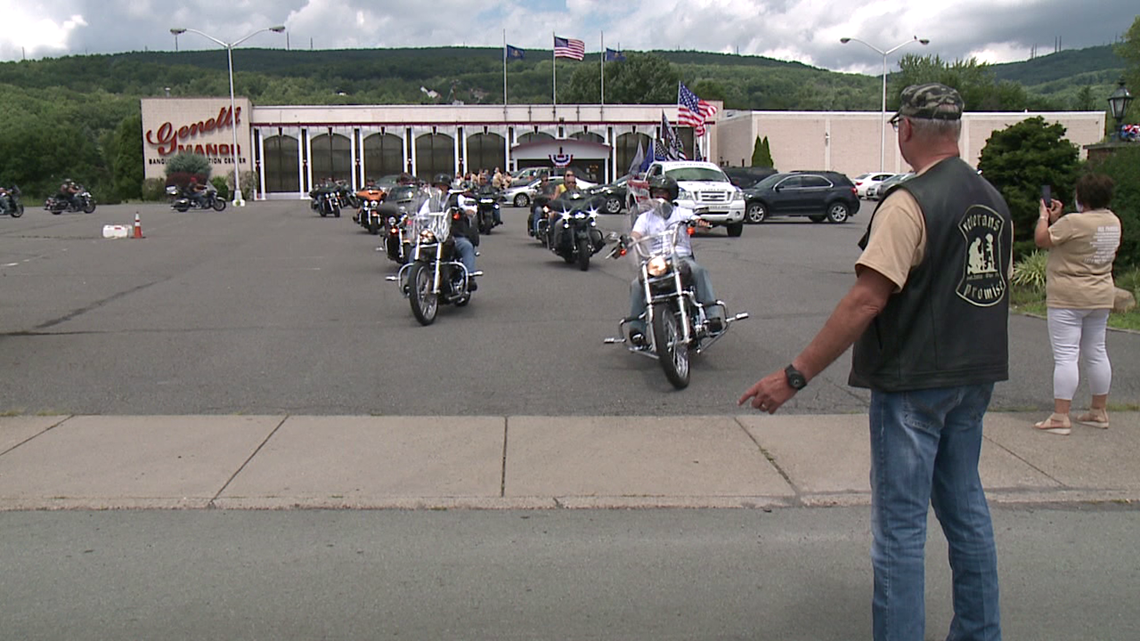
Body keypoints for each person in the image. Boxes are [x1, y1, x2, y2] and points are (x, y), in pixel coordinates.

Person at [740, 84, 1010, 641]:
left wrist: (795, 375)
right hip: (973, 377)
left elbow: (867, 298)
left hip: (913, 382)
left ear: (907, 129)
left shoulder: (909, 202)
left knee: (900, 531)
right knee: (966, 512)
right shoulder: (993, 200)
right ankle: (981, 632)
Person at [1032, 173, 1122, 434]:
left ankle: (1061, 416)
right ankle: (1099, 410)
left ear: (1081, 197)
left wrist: (1044, 216)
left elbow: (1042, 239)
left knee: (1066, 355)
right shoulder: (1113, 221)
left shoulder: (1074, 222)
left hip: (1068, 296)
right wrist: (1059, 222)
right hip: (1101, 293)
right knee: (1096, 351)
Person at [625, 175, 724, 347]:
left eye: (663, 193)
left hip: (680, 257)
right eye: (656, 193)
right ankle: (637, 330)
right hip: (655, 260)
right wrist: (628, 240)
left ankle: (712, 316)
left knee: (698, 271)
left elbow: (695, 220)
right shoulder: (645, 218)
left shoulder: (681, 213)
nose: (659, 197)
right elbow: (636, 234)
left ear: (671, 195)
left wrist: (700, 223)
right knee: (636, 284)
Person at [424, 173, 478, 290]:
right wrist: (411, 219)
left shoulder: (457, 199)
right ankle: (412, 282)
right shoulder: (430, 201)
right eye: (437, 186)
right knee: (415, 251)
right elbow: (421, 214)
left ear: (447, 187)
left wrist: (469, 210)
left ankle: (469, 277)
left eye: (442, 186)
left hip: (453, 236)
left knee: (466, 246)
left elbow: (470, 207)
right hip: (433, 237)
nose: (439, 188)